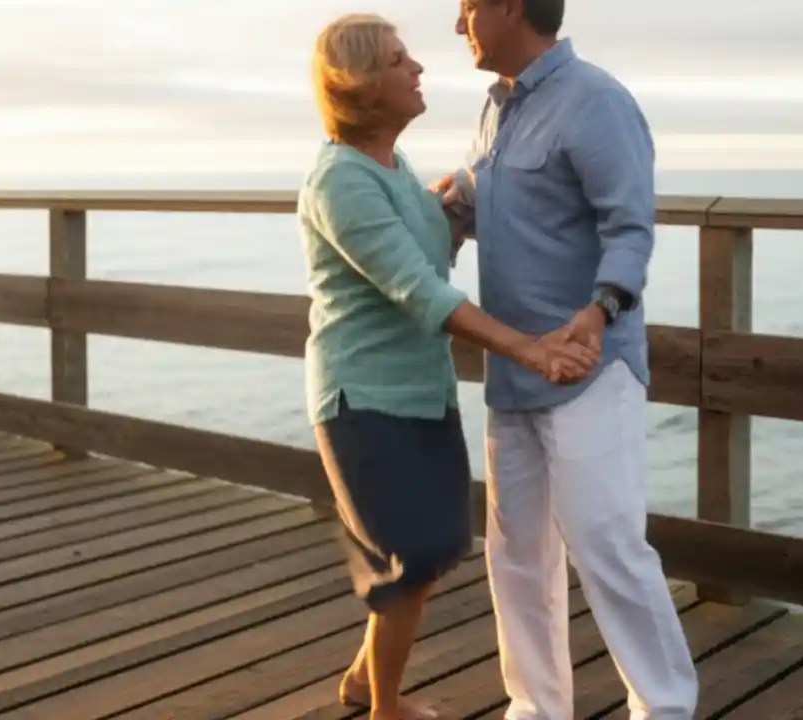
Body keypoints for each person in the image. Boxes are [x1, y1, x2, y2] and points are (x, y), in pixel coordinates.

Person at [298, 13, 599, 720]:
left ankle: (366, 678)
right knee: (414, 551)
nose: (418, 69)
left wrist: (461, 206)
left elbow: (432, 240)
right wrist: (528, 346)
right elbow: (420, 289)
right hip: (362, 400)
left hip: (420, 394)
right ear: (364, 86)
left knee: (431, 547)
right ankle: (386, 707)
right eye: (400, 61)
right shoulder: (338, 182)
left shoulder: (391, 168)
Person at [437, 1, 699, 717]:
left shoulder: (598, 102)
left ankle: (666, 708)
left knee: (608, 548)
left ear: (511, 7)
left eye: (465, 9)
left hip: (591, 370)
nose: (457, 27)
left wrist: (599, 310)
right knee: (517, 553)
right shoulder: (496, 110)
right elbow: (508, 197)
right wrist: (459, 199)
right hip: (514, 372)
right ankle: (535, 707)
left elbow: (630, 228)